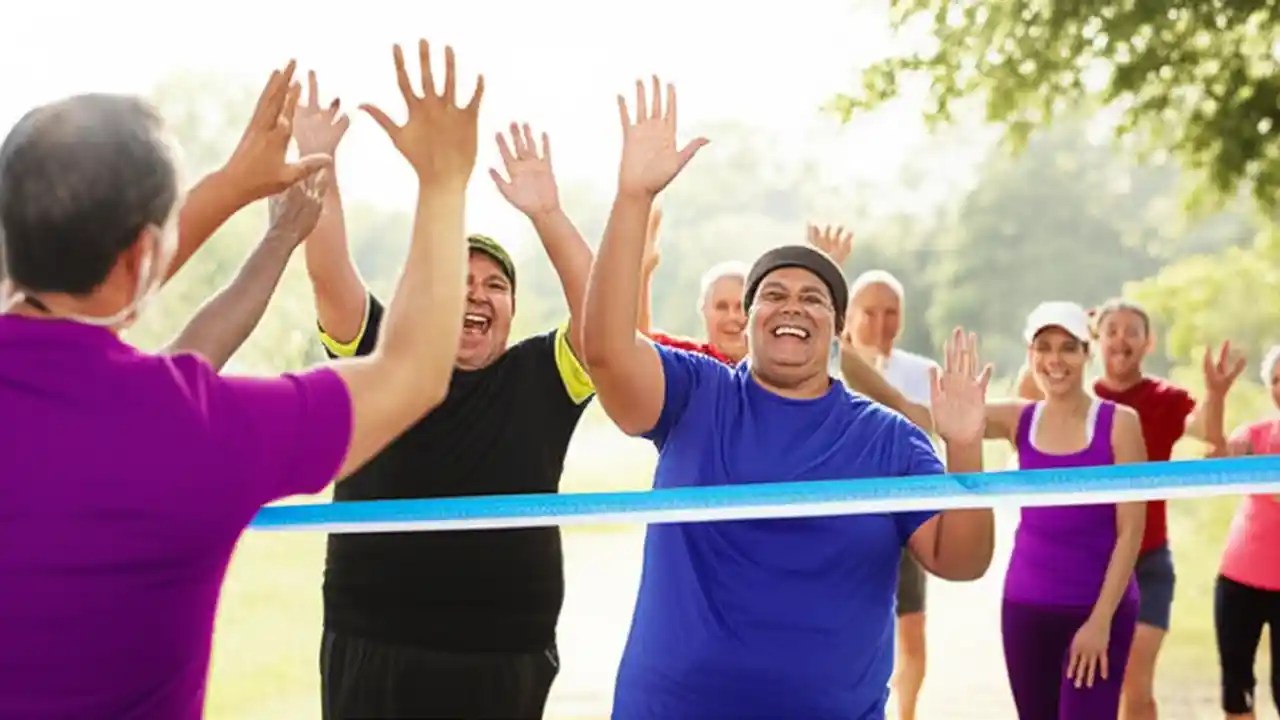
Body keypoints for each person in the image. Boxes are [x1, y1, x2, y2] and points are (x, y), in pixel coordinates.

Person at [0, 41, 483, 720]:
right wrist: (445, 181)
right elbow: (411, 375)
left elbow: (124, 324)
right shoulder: (192, 428)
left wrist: (249, 208)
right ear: (144, 252)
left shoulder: (172, 412)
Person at [584, 75, 996, 718]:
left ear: (836, 327)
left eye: (813, 299)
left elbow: (961, 560)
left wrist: (965, 445)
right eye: (773, 295)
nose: (792, 307)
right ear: (745, 320)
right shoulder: (697, 393)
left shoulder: (887, 438)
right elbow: (607, 350)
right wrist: (631, 197)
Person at [295, 70, 596, 718]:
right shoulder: (383, 349)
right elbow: (327, 270)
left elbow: (606, 319)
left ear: (511, 308)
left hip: (505, 650)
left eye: (495, 284)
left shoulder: (542, 374)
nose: (476, 293)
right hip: (376, 638)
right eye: (459, 278)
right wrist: (319, 164)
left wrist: (546, 213)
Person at [1017, 297, 1243, 720]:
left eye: (1132, 331)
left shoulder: (1166, 398)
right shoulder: (1078, 396)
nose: (1121, 338)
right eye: (1111, 330)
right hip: (1085, 567)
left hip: (1149, 561)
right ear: (1095, 341)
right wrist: (1055, 334)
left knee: (1135, 684)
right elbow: (1025, 403)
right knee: (1083, 685)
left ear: (1147, 343)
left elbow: (1213, 441)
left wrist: (1216, 395)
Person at [995, 301, 1148, 719]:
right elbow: (933, 416)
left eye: (1068, 347)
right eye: (1043, 347)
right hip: (1025, 607)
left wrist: (1100, 622)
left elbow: (1130, 531)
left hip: (1098, 610)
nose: (1055, 359)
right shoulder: (1018, 419)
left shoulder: (1120, 423)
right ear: (1031, 356)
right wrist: (850, 353)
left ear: (1087, 353)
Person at [843, 267, 939, 720]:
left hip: (903, 518)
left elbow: (930, 436)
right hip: (845, 522)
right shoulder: (826, 367)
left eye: (891, 313)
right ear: (849, 315)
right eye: (869, 312)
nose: (880, 324)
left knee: (913, 628)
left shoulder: (923, 373)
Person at [1212, 344, 1280, 720]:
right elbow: (1217, 458)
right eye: (1276, 379)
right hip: (1240, 580)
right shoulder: (1254, 434)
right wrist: (1217, 396)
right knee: (1236, 689)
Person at [636, 205, 748, 363]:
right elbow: (639, 346)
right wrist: (643, 272)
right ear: (704, 310)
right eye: (721, 307)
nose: (733, 316)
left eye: (741, 307)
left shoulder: (783, 364)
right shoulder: (692, 361)